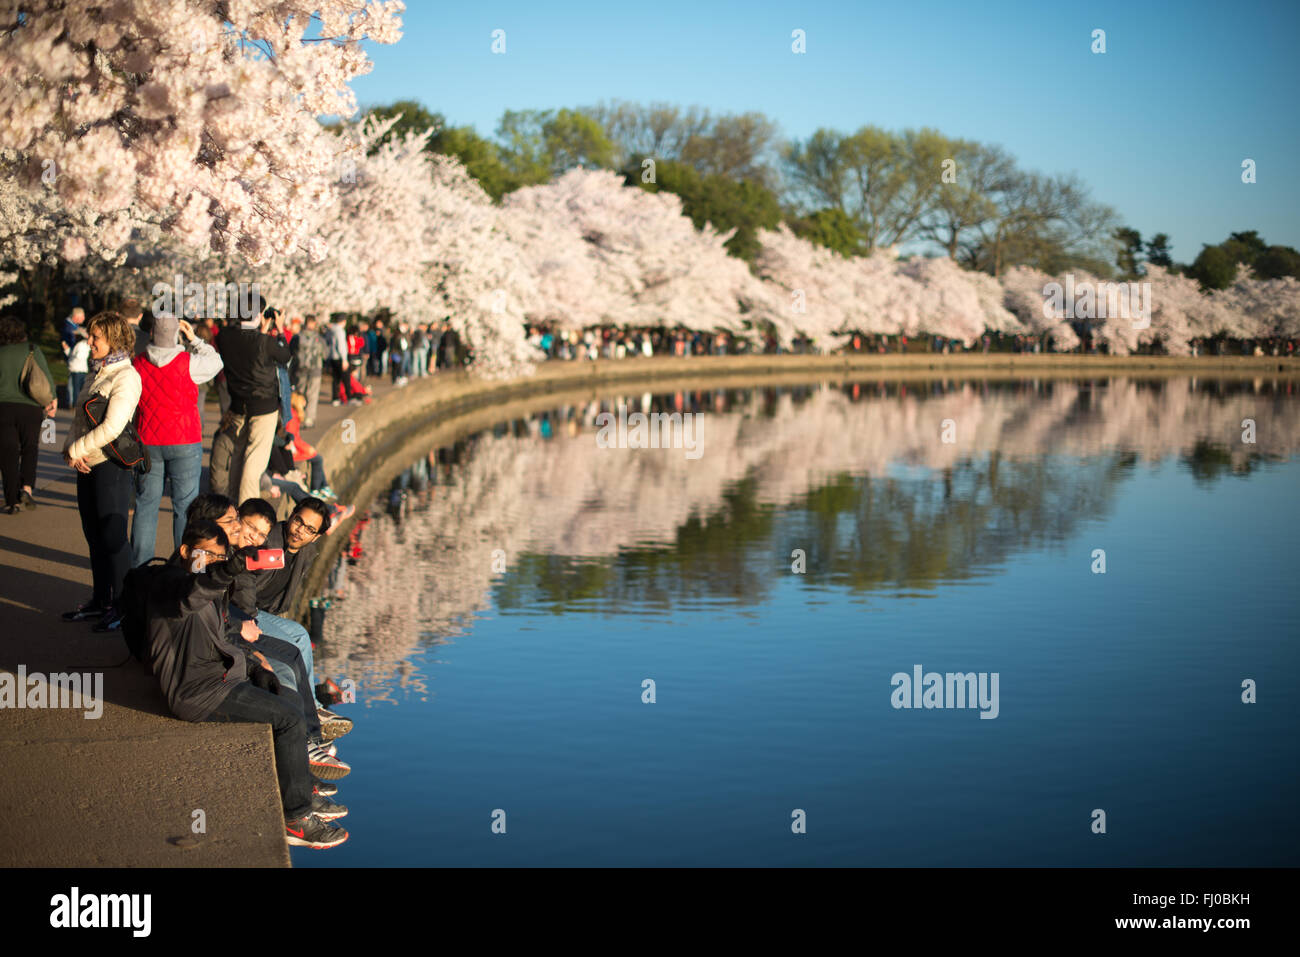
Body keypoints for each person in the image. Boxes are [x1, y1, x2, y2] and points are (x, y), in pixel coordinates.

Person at [146, 519, 348, 848]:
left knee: (285, 693)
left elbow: (224, 636)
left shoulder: (205, 586)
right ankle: (295, 819)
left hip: (220, 676)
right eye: (206, 555)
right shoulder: (173, 584)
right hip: (200, 692)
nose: (212, 563)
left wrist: (256, 665)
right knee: (288, 719)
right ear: (185, 551)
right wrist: (226, 571)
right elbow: (191, 597)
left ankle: (303, 787)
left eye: (218, 557)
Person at [61, 311, 143, 630]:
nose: (90, 341)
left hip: (110, 466)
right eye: (91, 335)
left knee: (112, 537)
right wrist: (71, 450)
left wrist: (76, 449)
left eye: (97, 337)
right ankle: (101, 600)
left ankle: (122, 606)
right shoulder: (96, 371)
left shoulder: (126, 376)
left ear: (114, 340)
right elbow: (79, 419)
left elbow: (112, 427)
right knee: (93, 535)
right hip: (86, 465)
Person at [129, 314, 224, 568]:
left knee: (146, 506)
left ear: (151, 335)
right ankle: (189, 568)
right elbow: (216, 361)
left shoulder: (137, 364)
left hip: (148, 441)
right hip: (184, 440)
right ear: (176, 334)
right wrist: (195, 339)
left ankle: (140, 568)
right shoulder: (189, 362)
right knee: (185, 508)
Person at [231, 497, 332, 702]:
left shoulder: (307, 553)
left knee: (301, 634)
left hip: (265, 612)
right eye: (298, 521)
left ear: (316, 536)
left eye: (310, 530)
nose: (300, 531)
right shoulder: (268, 540)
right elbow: (244, 583)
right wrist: (249, 618)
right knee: (291, 647)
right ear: (292, 515)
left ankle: (313, 703)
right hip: (244, 609)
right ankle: (308, 705)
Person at [216, 301, 291, 505]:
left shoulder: (224, 337)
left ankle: (232, 503)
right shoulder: (265, 342)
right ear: (258, 314)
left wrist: (262, 329)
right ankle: (246, 508)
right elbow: (285, 355)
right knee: (254, 459)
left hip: (239, 404)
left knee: (238, 456)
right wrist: (281, 329)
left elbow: (248, 346)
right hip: (263, 406)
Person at [0, 316, 58, 513]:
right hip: (30, 408)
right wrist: (53, 399)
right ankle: (26, 488)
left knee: (7, 453)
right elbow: (46, 378)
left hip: (3, 408)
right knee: (29, 448)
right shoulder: (32, 350)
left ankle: (11, 500)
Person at [292, 314, 327, 427]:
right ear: (314, 323)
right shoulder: (319, 338)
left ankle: (298, 416)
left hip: (300, 370)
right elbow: (325, 354)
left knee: (300, 394)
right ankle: (309, 419)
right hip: (315, 370)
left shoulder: (297, 337)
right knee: (312, 395)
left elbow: (291, 353)